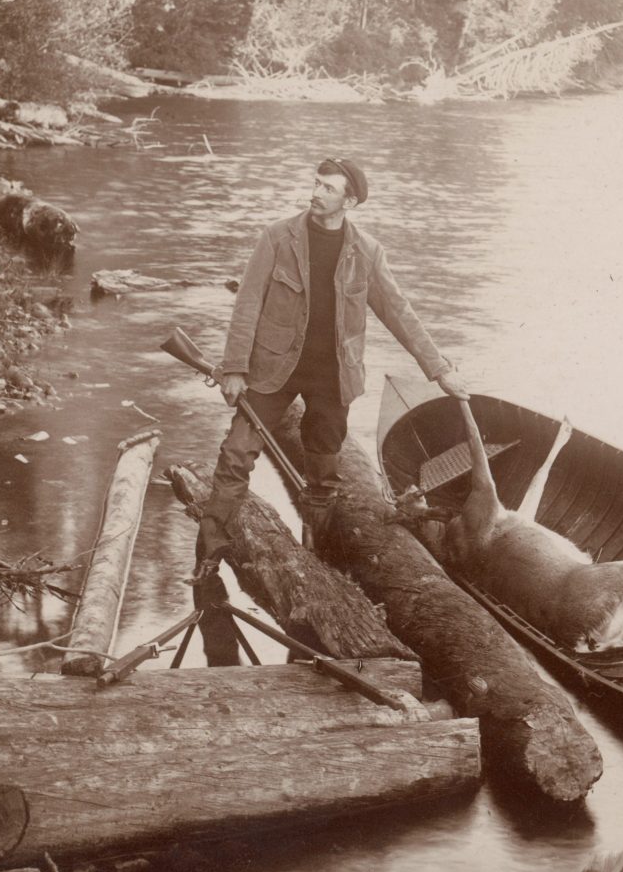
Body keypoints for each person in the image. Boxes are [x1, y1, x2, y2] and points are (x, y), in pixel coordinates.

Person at [195, 156, 468, 573]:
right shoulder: (277, 238)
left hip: (333, 376)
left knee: (323, 475)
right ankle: (208, 557)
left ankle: (317, 562)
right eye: (316, 184)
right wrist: (234, 368)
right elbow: (247, 304)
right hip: (272, 370)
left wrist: (440, 370)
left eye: (327, 188)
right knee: (235, 455)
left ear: (350, 201)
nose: (315, 193)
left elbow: (400, 313)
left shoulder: (368, 253)